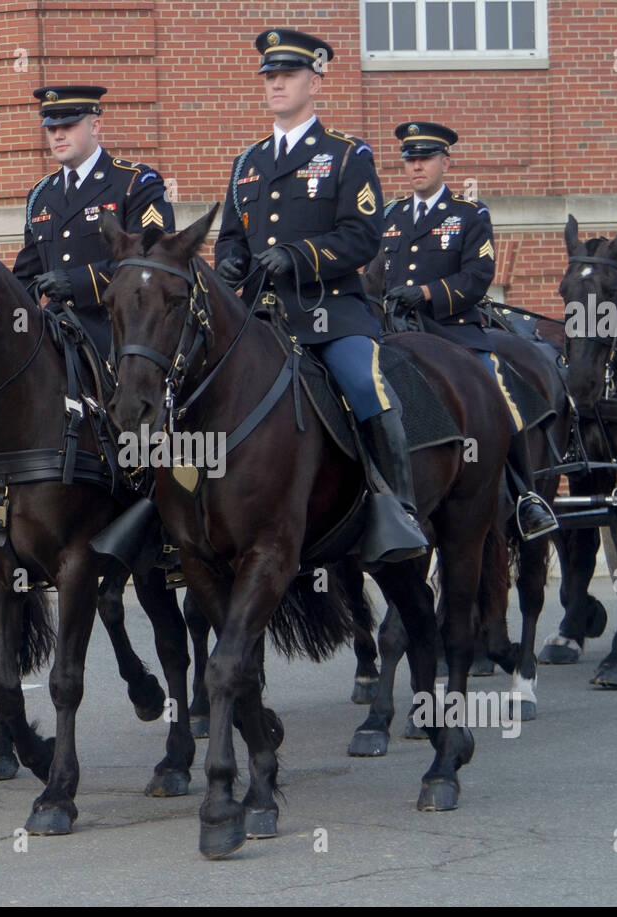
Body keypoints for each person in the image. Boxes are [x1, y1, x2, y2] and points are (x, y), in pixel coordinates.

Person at [0, 84, 177, 568]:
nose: (58, 134)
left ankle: (165, 524)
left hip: (120, 328)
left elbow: (154, 263)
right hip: (52, 326)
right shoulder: (41, 195)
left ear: (95, 124)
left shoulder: (135, 184)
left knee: (142, 411)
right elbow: (24, 274)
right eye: (51, 127)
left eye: (68, 125)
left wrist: (81, 283)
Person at [214, 29, 428, 563]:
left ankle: (395, 508)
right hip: (260, 317)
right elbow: (230, 238)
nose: (276, 84)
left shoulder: (344, 153)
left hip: (329, 314)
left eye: (286, 75)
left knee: (364, 382)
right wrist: (231, 263)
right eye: (269, 76)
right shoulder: (248, 163)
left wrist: (298, 256)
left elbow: (363, 235)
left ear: (315, 80)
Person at [380, 121, 558, 540]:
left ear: (446, 162)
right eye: (410, 159)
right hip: (397, 331)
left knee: (500, 392)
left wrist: (424, 292)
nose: (416, 167)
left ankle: (527, 494)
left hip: (454, 330)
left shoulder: (468, 214)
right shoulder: (392, 216)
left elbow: (478, 276)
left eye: (425, 159)